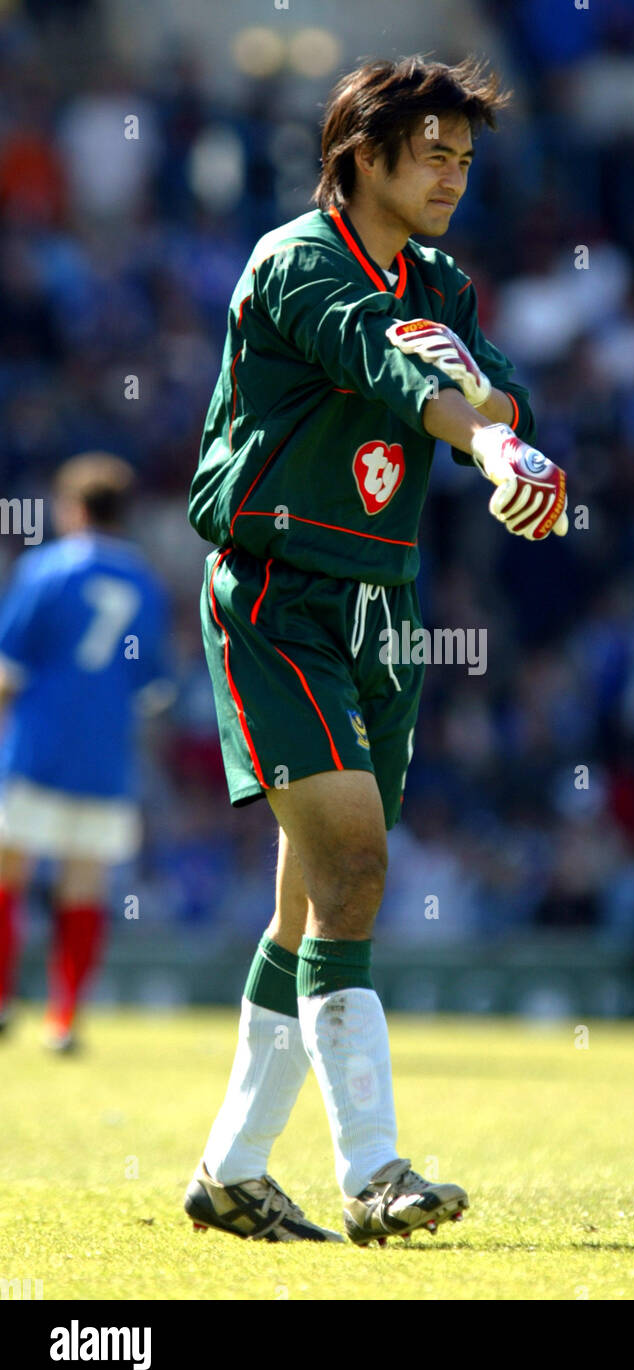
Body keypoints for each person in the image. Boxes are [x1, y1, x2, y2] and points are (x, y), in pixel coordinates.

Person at [184, 55, 569, 1247]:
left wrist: (516, 452)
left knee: (315, 899)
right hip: (278, 597)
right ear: (362, 152)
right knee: (352, 868)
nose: (454, 174)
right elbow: (388, 364)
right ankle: (375, 1173)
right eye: (432, 154)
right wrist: (480, 435)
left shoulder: (439, 279)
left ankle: (231, 1173)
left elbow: (486, 384)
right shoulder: (296, 260)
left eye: (464, 157)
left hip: (381, 609)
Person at [0, 453, 172, 1051]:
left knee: (9, 872)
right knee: (84, 884)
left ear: (71, 509)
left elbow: (7, 669)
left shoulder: (44, 571)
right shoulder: (147, 586)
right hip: (104, 758)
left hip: (36, 748)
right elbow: (152, 690)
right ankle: (65, 1019)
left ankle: (1, 1002)